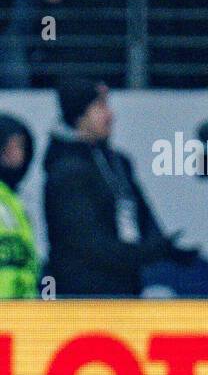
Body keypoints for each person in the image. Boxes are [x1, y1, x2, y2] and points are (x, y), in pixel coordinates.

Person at [42, 79, 196, 296]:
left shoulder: (118, 162)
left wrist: (166, 249)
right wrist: (148, 252)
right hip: (84, 296)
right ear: (79, 115)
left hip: (125, 287)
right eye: (100, 106)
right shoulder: (66, 170)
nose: (110, 115)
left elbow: (141, 214)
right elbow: (88, 244)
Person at [0, 112, 38, 298]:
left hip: (20, 313)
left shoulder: (15, 200)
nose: (16, 153)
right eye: (9, 146)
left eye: (20, 146)